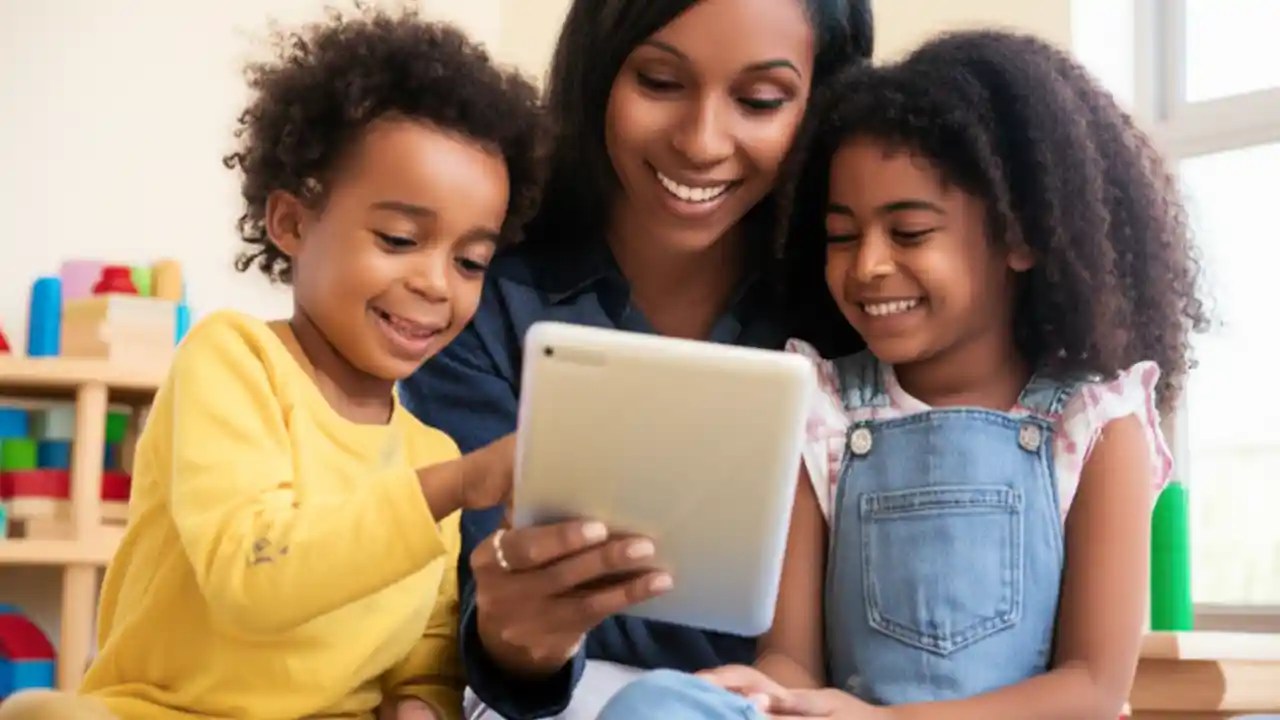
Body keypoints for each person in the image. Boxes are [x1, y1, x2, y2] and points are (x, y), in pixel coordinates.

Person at [597, 29, 1210, 719]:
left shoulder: (1095, 423)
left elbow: (1092, 690)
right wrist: (765, 689)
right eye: (842, 236)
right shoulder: (820, 407)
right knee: (652, 703)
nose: (867, 267)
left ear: (1021, 237)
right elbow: (792, 658)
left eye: (910, 232)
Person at [61, 8, 541, 720]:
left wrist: (421, 706)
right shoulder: (233, 361)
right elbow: (254, 578)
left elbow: (426, 655)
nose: (438, 283)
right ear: (291, 223)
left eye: (470, 260)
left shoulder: (427, 453)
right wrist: (460, 482)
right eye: (400, 237)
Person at [399, 0, 873, 717]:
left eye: (759, 100)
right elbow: (464, 617)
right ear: (598, 75)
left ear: (821, 107)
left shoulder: (853, 310)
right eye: (658, 82)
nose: (702, 141)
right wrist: (519, 640)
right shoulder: (481, 296)